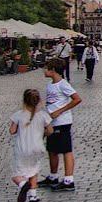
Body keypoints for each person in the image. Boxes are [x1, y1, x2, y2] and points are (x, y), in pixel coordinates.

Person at [38, 58, 81, 192]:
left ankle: (69, 180)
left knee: (66, 150)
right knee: (52, 150)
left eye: (46, 68)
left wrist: (60, 111)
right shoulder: (51, 84)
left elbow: (77, 99)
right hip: (52, 122)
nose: (44, 71)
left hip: (63, 122)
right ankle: (53, 176)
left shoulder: (63, 84)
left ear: (53, 70)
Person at [8, 88, 52, 202]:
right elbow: (50, 130)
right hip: (37, 148)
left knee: (16, 174)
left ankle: (23, 184)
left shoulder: (18, 115)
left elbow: (12, 131)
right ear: (38, 101)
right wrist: (43, 133)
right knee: (33, 171)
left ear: (24, 100)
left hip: (22, 149)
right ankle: (33, 196)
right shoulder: (43, 115)